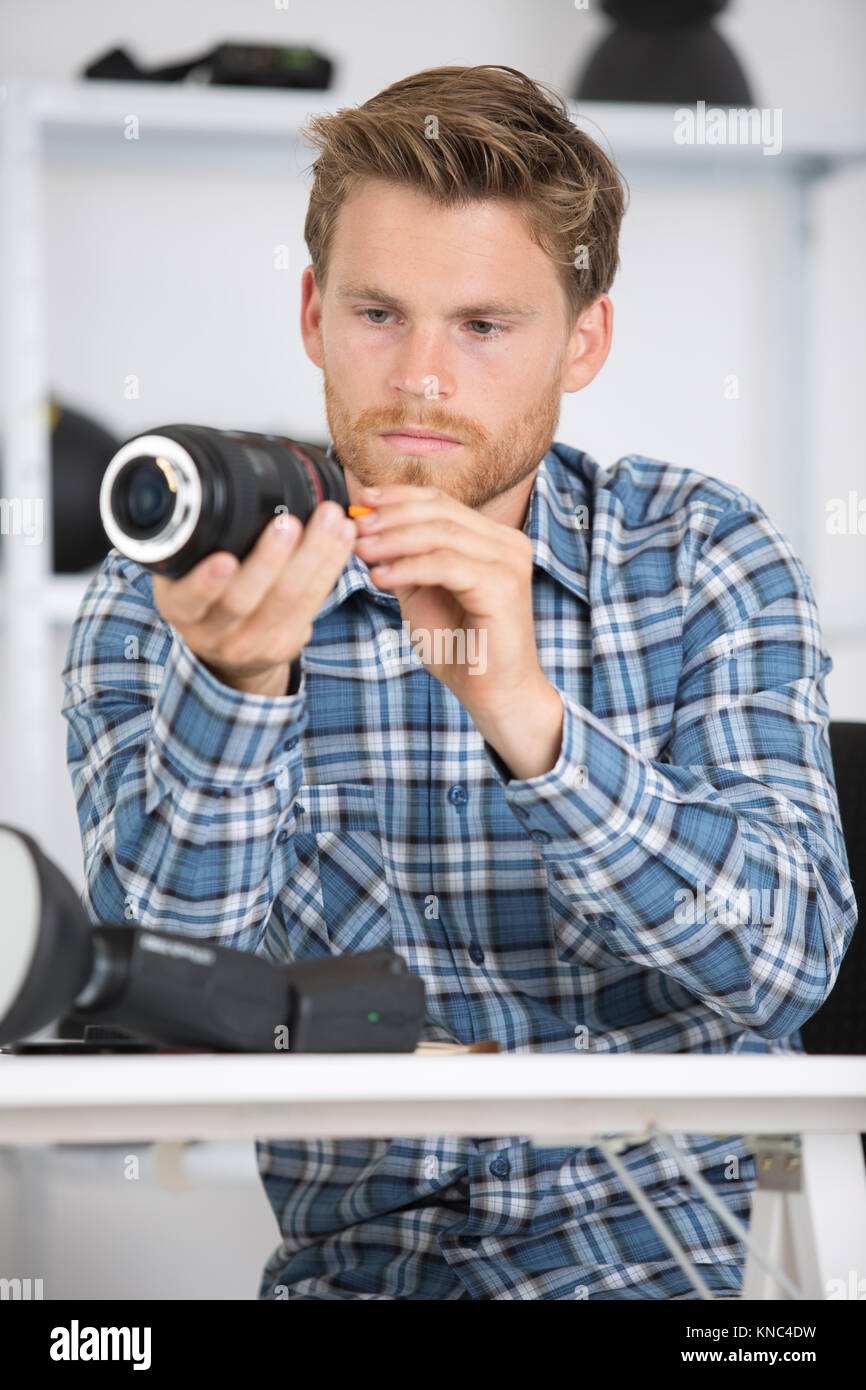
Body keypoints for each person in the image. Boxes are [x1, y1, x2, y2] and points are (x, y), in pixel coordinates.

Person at [61, 64, 855, 1300]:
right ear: (314, 312)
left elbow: (782, 961)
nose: (421, 376)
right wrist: (238, 683)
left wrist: (522, 712)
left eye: (483, 326)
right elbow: (162, 1010)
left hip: (658, 1275)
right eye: (379, 314)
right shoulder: (173, 585)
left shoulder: (701, 554)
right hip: (356, 1277)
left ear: (580, 339)